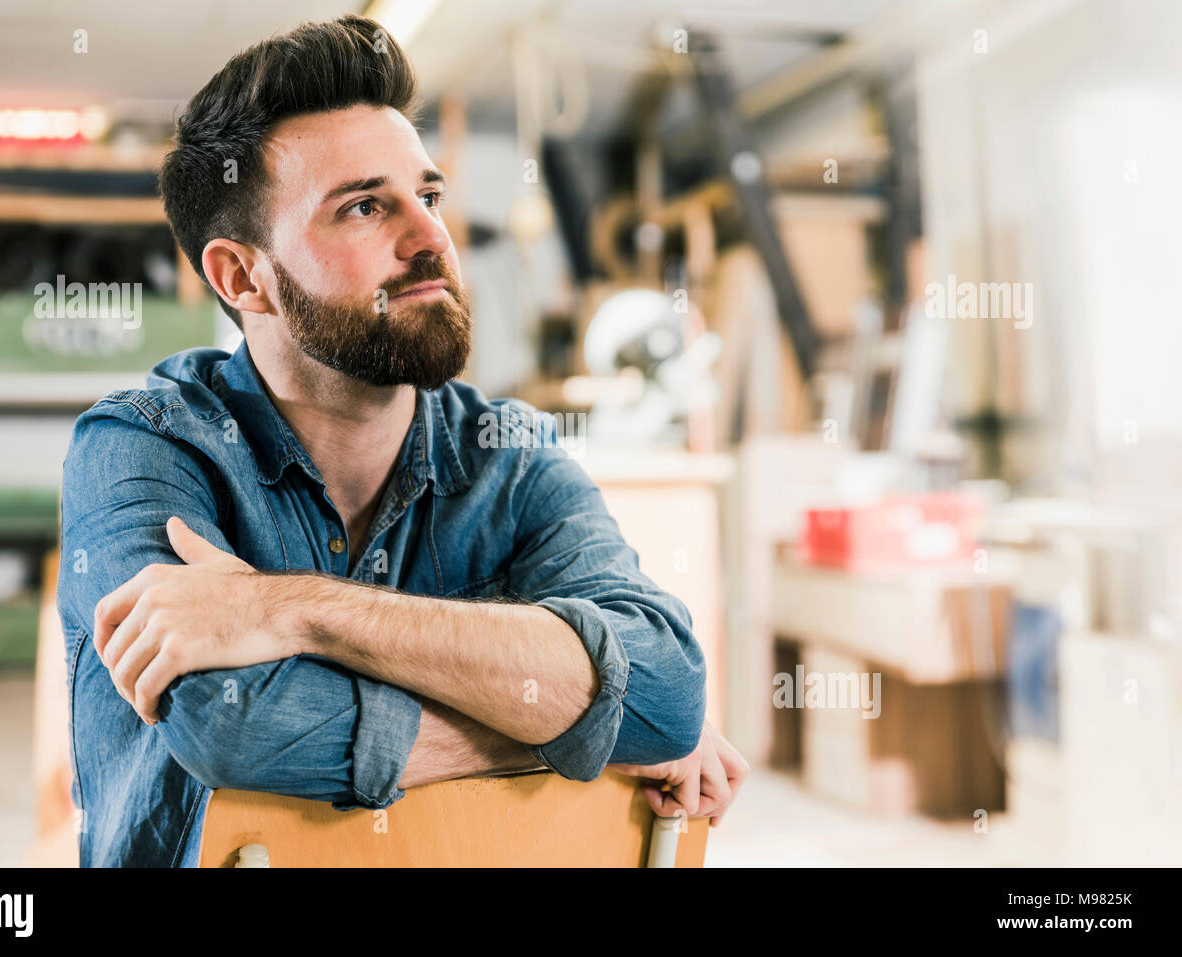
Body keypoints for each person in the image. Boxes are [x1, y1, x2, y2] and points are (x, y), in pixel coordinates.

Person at [58, 14, 748, 867]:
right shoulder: (143, 446)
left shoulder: (509, 453)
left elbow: (667, 685)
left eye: (426, 197)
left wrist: (289, 610)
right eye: (362, 208)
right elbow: (236, 725)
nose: (430, 241)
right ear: (243, 277)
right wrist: (578, 723)